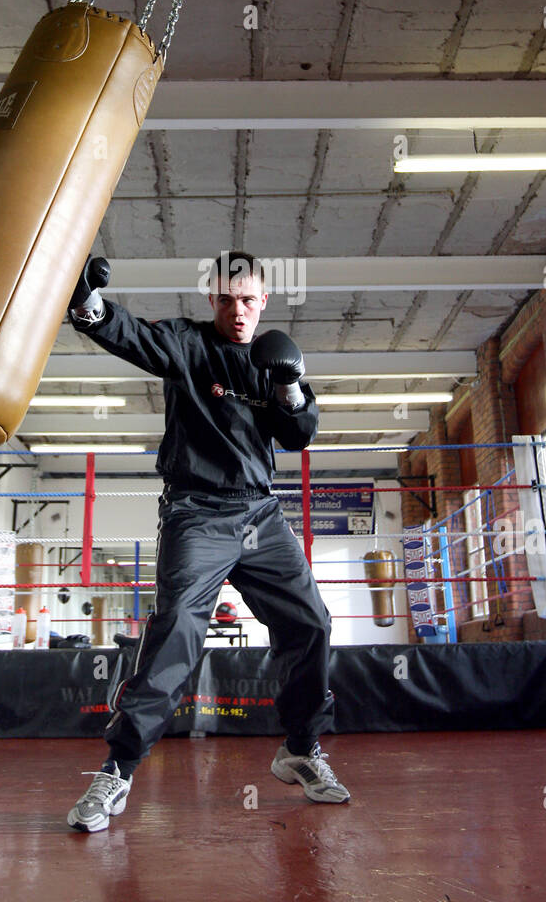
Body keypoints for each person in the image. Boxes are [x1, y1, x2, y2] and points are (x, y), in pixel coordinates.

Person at [65, 251, 349, 831]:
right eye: (226, 300)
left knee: (311, 623)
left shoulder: (273, 359)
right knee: (175, 634)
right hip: (196, 512)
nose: (237, 311)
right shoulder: (185, 343)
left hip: (260, 514)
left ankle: (300, 749)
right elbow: (130, 337)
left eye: (248, 300)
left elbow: (298, 437)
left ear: (264, 299)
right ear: (211, 300)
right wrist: (86, 303)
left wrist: (292, 386)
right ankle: (117, 771)